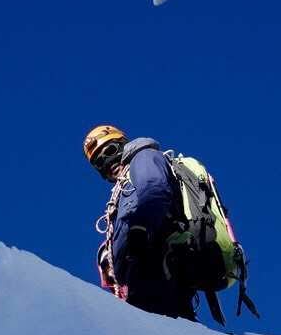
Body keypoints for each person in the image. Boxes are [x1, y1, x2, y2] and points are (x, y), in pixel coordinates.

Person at [84, 124, 199, 320]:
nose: (107, 162)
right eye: (99, 162)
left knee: (166, 330)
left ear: (123, 145)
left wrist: (140, 229)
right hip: (142, 277)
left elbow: (155, 188)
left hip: (158, 267)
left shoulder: (144, 157)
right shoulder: (123, 190)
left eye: (110, 151)